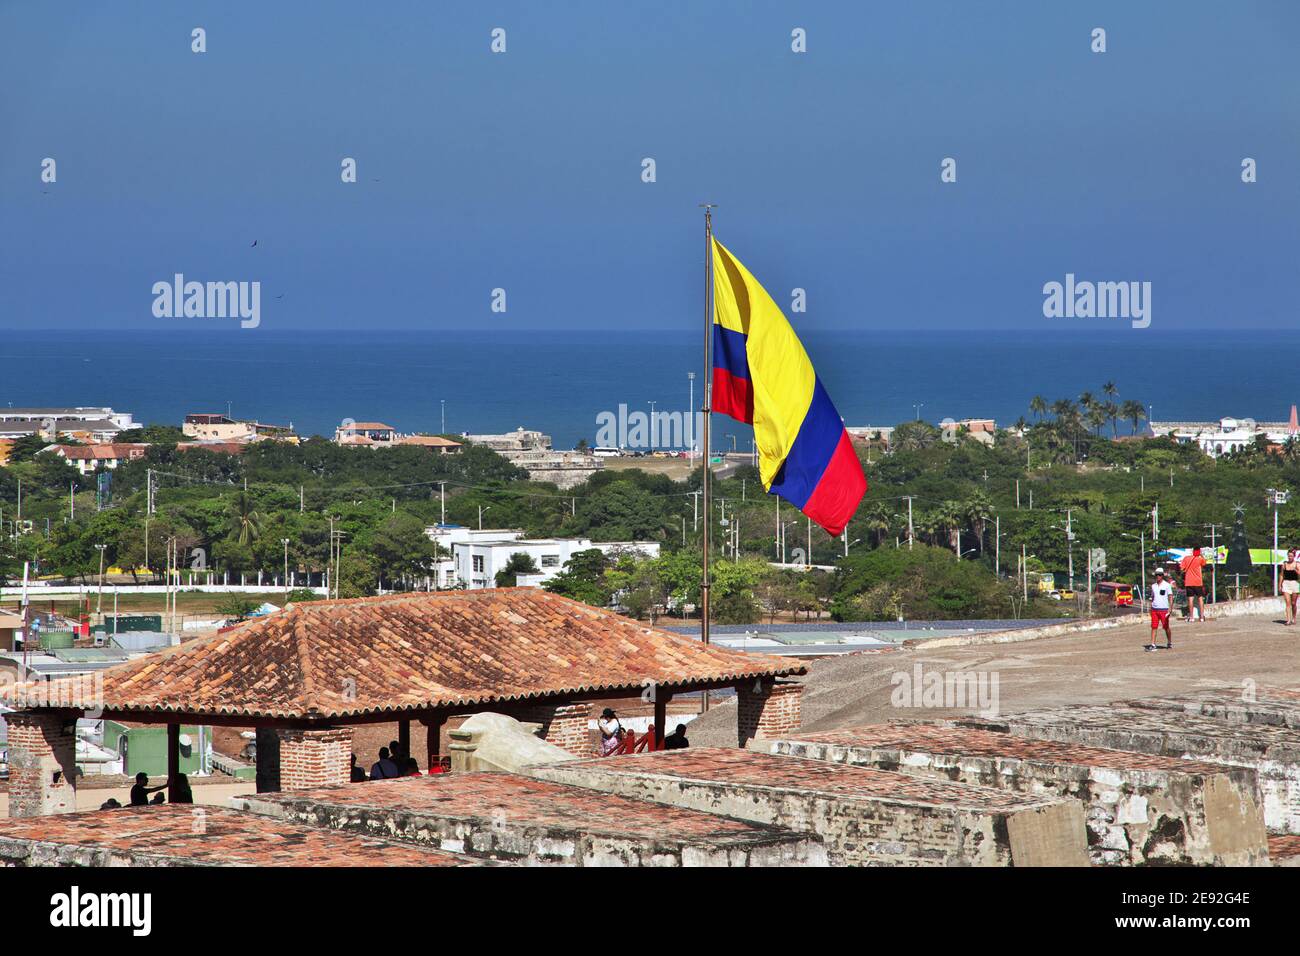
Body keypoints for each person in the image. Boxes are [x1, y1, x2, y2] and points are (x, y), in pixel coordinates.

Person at [1147, 567, 1174, 651]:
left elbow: (1170, 597)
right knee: (1154, 627)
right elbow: (1153, 597)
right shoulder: (1153, 586)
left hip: (1164, 609)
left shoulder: (1167, 585)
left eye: (1159, 575)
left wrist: (1170, 608)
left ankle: (1169, 641)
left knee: (1166, 627)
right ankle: (1153, 644)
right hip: (1155, 609)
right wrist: (1150, 608)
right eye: (1157, 575)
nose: (1158, 576)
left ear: (1162, 576)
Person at [1179, 547, 1209, 623]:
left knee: (1190, 600)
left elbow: (1181, 568)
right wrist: (1201, 555)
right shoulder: (1200, 559)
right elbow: (1205, 563)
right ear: (1199, 552)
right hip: (1198, 582)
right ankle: (1202, 617)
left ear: (1192, 551)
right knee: (1200, 599)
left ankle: (1192, 617)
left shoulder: (1186, 558)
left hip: (1188, 582)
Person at [1282, 550, 1300, 626]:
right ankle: (1288, 620)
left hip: (1295, 583)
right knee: (1288, 603)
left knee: (1293, 603)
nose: (1290, 557)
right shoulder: (1284, 564)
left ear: (1294, 556)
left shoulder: (1297, 564)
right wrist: (1280, 585)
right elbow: (1281, 575)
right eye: (1289, 556)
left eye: (1291, 556)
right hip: (1286, 583)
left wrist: (1295, 570)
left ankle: (1294, 618)